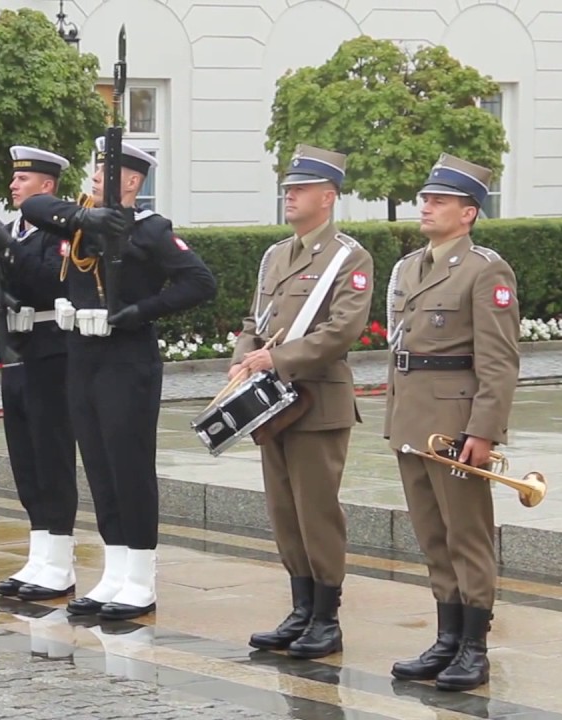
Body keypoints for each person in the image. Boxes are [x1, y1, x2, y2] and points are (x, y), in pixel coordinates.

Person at [19, 136, 217, 620]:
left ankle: (141, 578)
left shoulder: (150, 230)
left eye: (106, 170)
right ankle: (114, 570)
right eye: (95, 168)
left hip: (127, 358)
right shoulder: (83, 224)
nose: (94, 176)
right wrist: (85, 218)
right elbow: (38, 205)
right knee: (99, 466)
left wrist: (140, 312)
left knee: (128, 467)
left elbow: (200, 282)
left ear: (131, 181)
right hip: (82, 355)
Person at [229, 144, 373, 659]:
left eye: (301, 188)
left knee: (316, 512)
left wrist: (276, 360)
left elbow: (341, 331)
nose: (289, 195)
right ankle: (300, 608)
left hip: (316, 402)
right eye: (288, 188)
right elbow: (254, 324)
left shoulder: (348, 256)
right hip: (273, 405)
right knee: (284, 511)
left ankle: (326, 618)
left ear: (328, 197)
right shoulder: (276, 255)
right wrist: (243, 357)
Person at [385, 153, 519, 692]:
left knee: (467, 537)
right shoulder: (413, 265)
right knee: (432, 535)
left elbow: (499, 359)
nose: (427, 206)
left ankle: (474, 647)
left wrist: (483, 431)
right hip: (414, 419)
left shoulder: (487, 269)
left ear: (469, 213)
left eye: (439, 201)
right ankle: (446, 638)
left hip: (457, 423)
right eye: (426, 199)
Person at [0, 145, 79, 601]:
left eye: (23, 180)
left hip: (52, 352)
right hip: (17, 351)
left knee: (52, 458)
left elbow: (53, 279)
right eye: (13, 178)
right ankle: (39, 553)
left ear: (47, 186)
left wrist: (8, 253)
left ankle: (60, 560)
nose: (13, 185)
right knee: (25, 460)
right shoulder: (13, 230)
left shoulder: (60, 233)